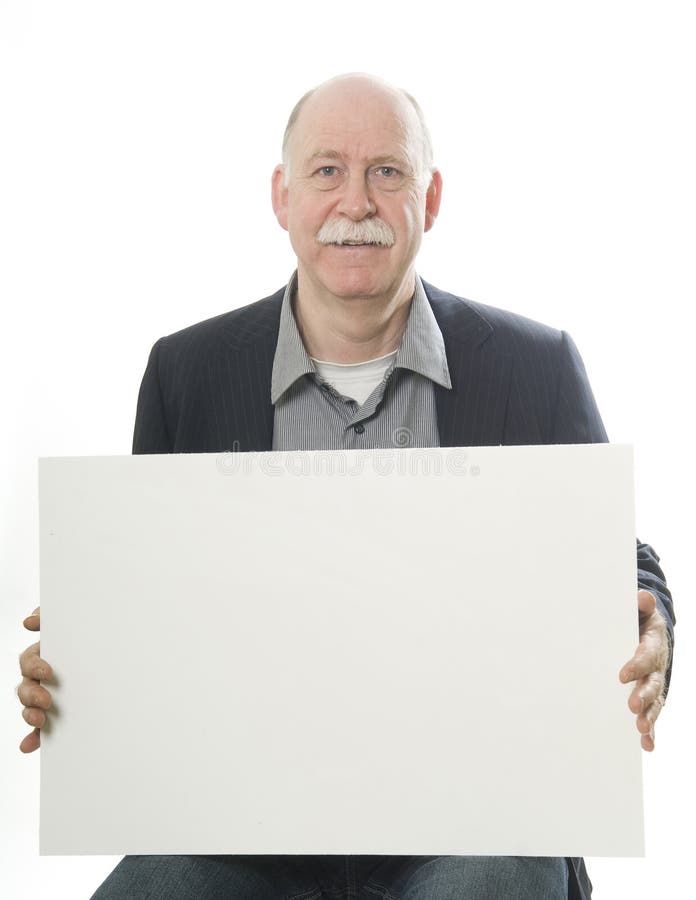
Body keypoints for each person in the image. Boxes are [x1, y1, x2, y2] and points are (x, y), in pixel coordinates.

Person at [18, 73, 674, 900]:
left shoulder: (534, 366)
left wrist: (655, 627)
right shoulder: (185, 373)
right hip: (241, 830)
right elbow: (156, 597)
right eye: (327, 170)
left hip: (476, 818)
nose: (355, 200)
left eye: (387, 172)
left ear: (430, 198)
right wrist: (84, 667)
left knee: (495, 880)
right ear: (281, 196)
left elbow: (613, 557)